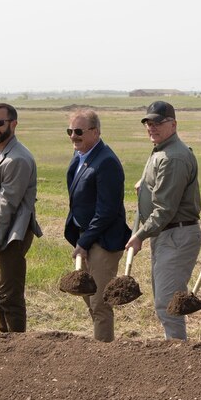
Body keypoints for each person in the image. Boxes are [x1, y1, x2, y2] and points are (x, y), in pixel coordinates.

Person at [125, 101, 201, 340]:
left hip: (176, 235)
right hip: (166, 235)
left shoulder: (173, 157)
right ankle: (176, 351)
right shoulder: (161, 150)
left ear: (173, 124)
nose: (152, 127)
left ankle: (178, 355)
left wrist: (139, 235)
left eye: (158, 123)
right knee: (164, 300)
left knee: (168, 303)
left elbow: (165, 209)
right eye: (148, 123)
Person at [64, 108, 131, 342]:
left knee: (100, 301)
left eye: (79, 131)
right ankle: (100, 345)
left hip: (104, 240)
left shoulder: (107, 162)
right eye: (70, 131)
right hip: (87, 236)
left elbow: (107, 211)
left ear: (95, 132)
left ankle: (103, 355)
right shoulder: (81, 156)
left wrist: (84, 241)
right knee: (86, 294)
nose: (74, 136)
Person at [0, 103, 42, 333]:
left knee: (9, 296)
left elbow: (8, 204)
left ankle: (17, 350)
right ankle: (3, 342)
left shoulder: (18, 159)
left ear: (13, 124)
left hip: (14, 233)